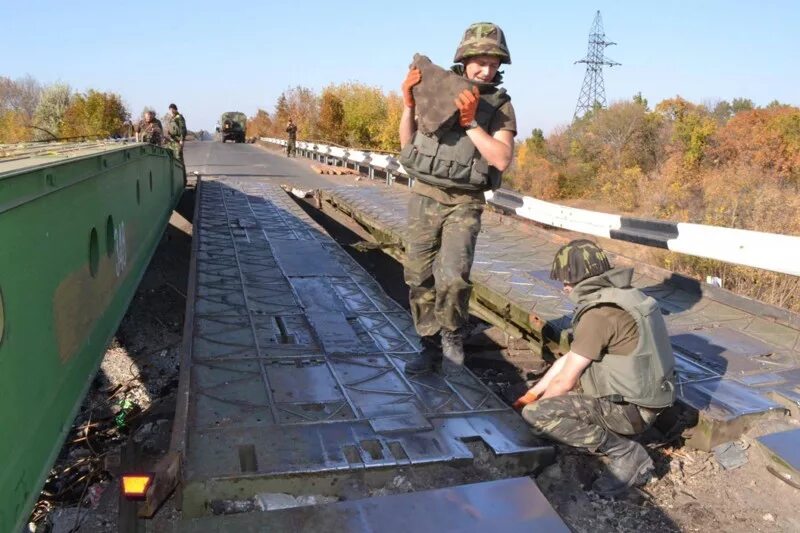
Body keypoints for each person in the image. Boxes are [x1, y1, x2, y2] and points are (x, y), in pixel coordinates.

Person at [398, 22, 516, 374]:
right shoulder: (437, 89)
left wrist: (471, 123)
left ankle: (451, 335)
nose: (486, 69)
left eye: (493, 64)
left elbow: (501, 158)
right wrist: (407, 104)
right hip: (425, 194)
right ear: (464, 60)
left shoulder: (500, 106)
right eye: (479, 61)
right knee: (418, 274)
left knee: (453, 275)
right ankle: (428, 342)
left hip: (464, 201)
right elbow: (408, 145)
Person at [516, 239, 676, 496]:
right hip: (645, 399)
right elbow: (570, 359)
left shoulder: (598, 314)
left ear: (575, 281)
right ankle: (620, 436)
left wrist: (534, 408)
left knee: (537, 417)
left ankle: (626, 453)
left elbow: (564, 381)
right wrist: (531, 395)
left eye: (565, 280)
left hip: (630, 413)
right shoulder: (624, 296)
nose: (563, 286)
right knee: (540, 404)